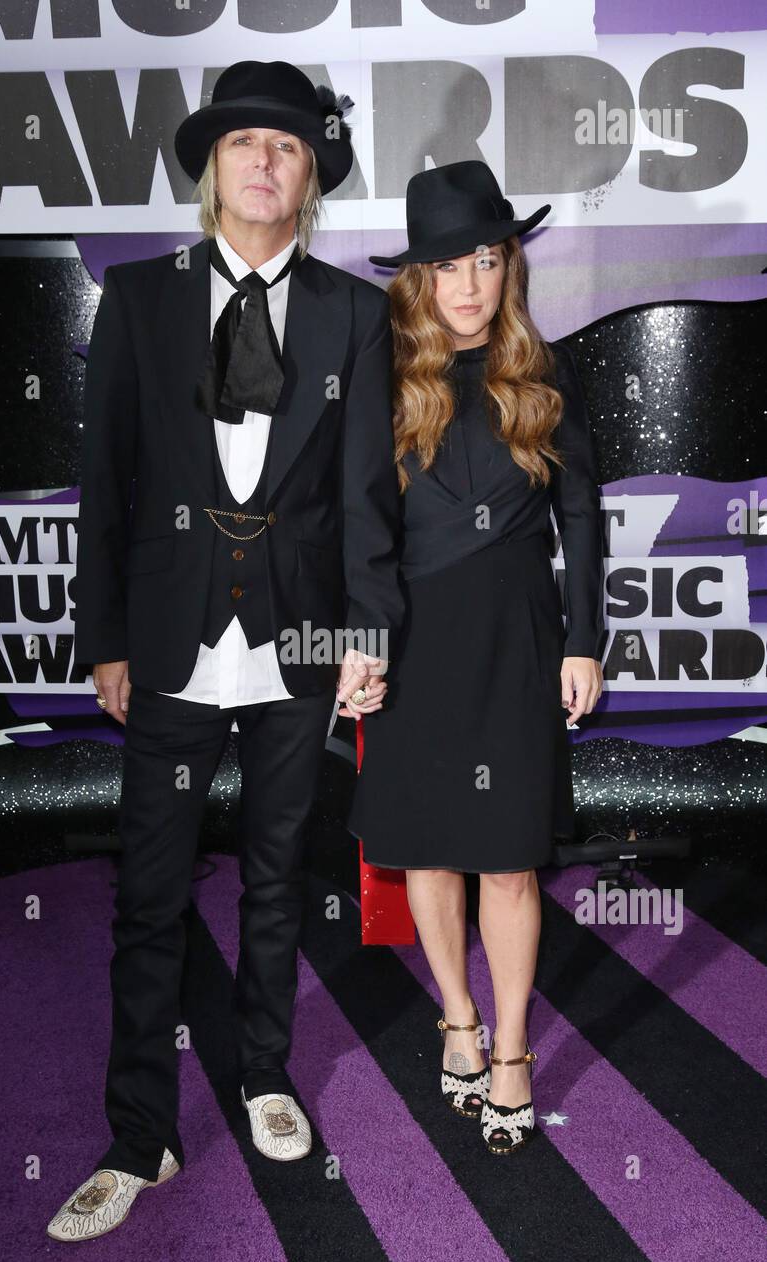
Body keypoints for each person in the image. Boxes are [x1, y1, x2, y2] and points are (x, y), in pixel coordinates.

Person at [47, 60, 403, 1241]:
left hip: (297, 637)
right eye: (244, 143)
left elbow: (364, 501)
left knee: (275, 880)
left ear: (308, 180)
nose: (264, 162)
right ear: (214, 169)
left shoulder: (356, 313)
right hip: (170, 639)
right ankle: (137, 1133)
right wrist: (104, 639)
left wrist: (362, 633)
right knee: (148, 895)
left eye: (288, 148)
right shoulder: (141, 300)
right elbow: (106, 490)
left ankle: (261, 1074)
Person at [348, 161, 605, 1156]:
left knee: (506, 858)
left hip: (516, 638)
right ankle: (454, 1014)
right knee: (424, 843)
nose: (467, 283)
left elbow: (579, 510)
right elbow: (357, 526)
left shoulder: (544, 371)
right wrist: (358, 640)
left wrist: (582, 637)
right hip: (414, 642)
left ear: (508, 267)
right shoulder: (379, 375)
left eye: (485, 259)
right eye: (446, 264)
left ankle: (508, 1053)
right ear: (417, 278)